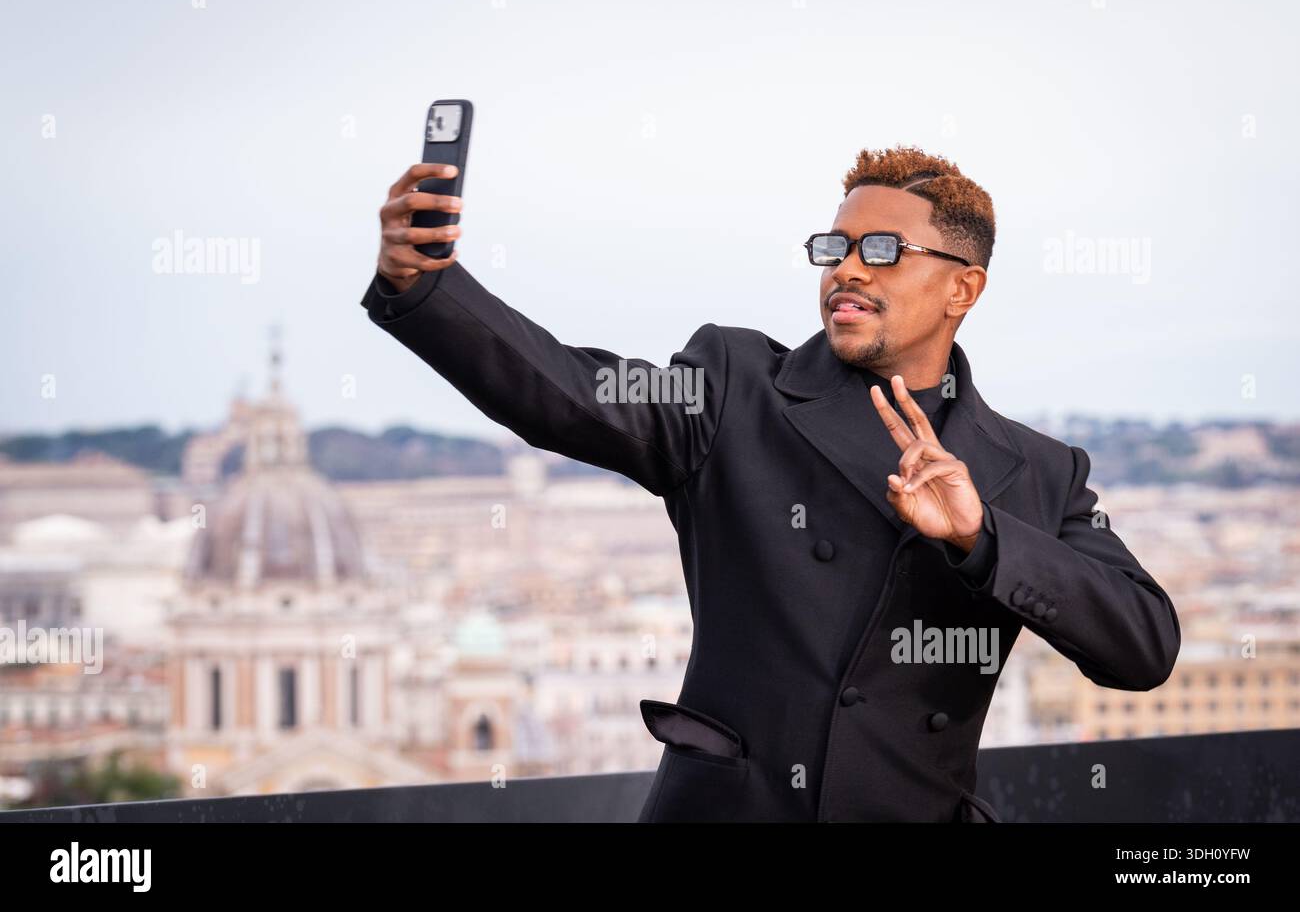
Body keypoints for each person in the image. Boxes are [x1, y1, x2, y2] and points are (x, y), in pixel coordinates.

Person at [359, 145, 1180, 822]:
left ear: (962, 287)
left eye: (883, 251)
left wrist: (983, 538)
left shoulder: (1034, 470)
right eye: (835, 248)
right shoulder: (736, 389)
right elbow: (569, 392)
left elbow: (1143, 646)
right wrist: (426, 285)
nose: (848, 269)